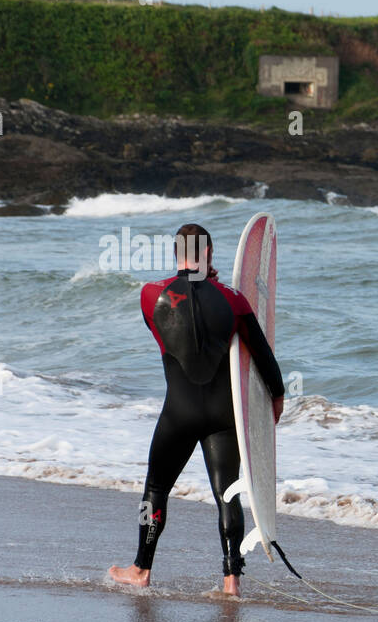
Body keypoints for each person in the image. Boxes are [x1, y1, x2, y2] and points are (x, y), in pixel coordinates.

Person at [109, 224, 285, 597]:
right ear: (210, 254)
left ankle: (141, 568)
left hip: (179, 413)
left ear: (176, 254)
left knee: (155, 488)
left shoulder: (149, 295)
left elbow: (173, 324)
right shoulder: (234, 299)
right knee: (227, 494)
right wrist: (277, 399)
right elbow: (264, 358)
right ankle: (231, 581)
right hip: (222, 416)